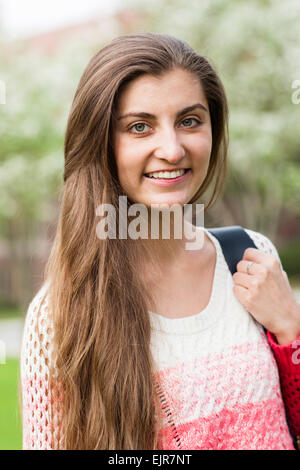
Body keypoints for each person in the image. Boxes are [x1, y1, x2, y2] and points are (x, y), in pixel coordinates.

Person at [20, 32, 300, 450]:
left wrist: (291, 330)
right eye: (139, 127)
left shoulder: (250, 258)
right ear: (100, 144)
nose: (172, 149)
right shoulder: (58, 315)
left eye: (190, 120)